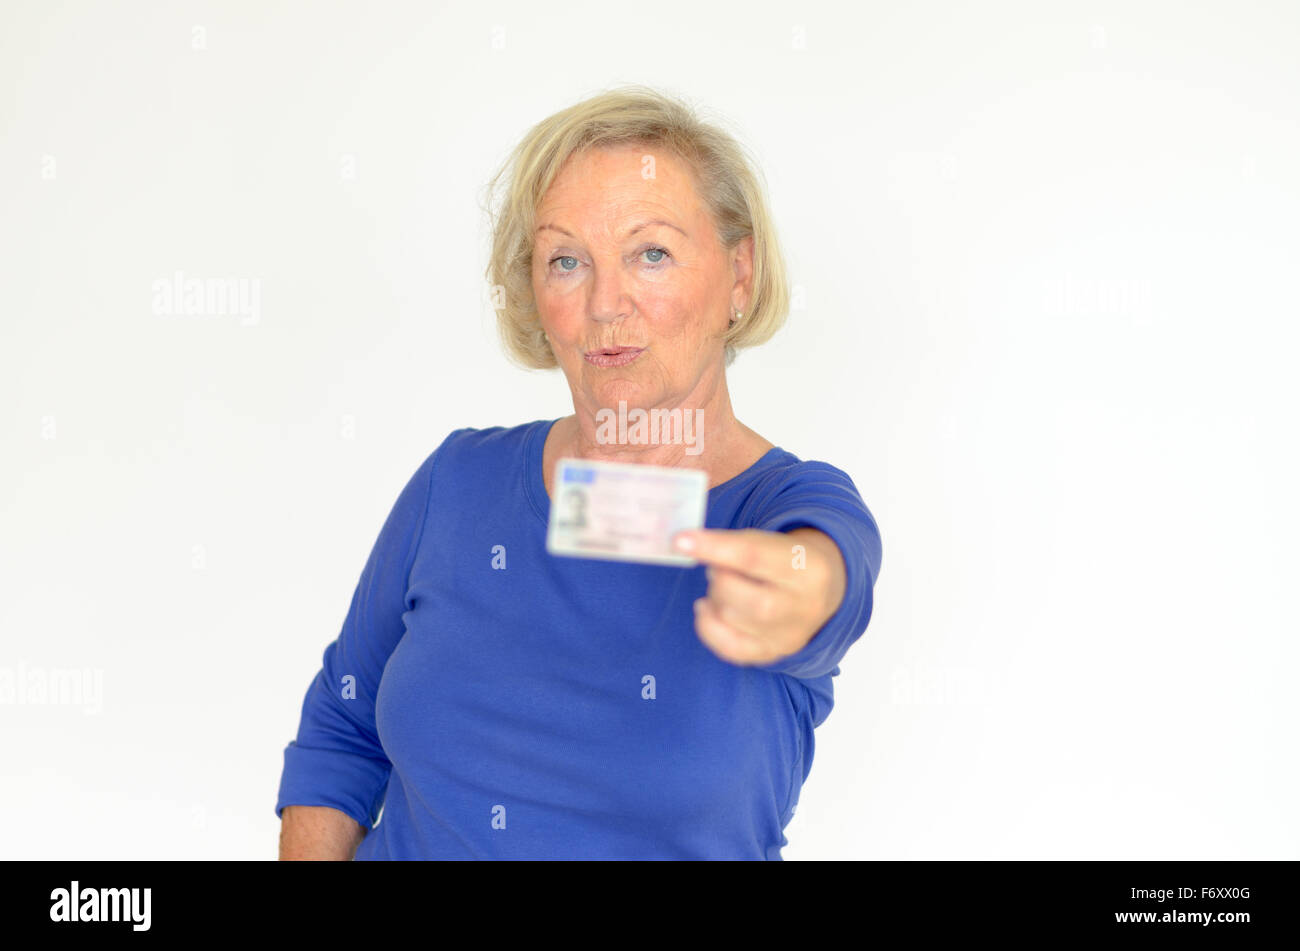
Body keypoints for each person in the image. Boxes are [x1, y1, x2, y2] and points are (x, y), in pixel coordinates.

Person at [276, 84, 883, 859]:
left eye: (651, 252)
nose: (605, 301)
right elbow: (341, 728)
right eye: (567, 260)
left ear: (739, 275)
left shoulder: (785, 506)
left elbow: (830, 574)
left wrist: (806, 589)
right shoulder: (459, 481)